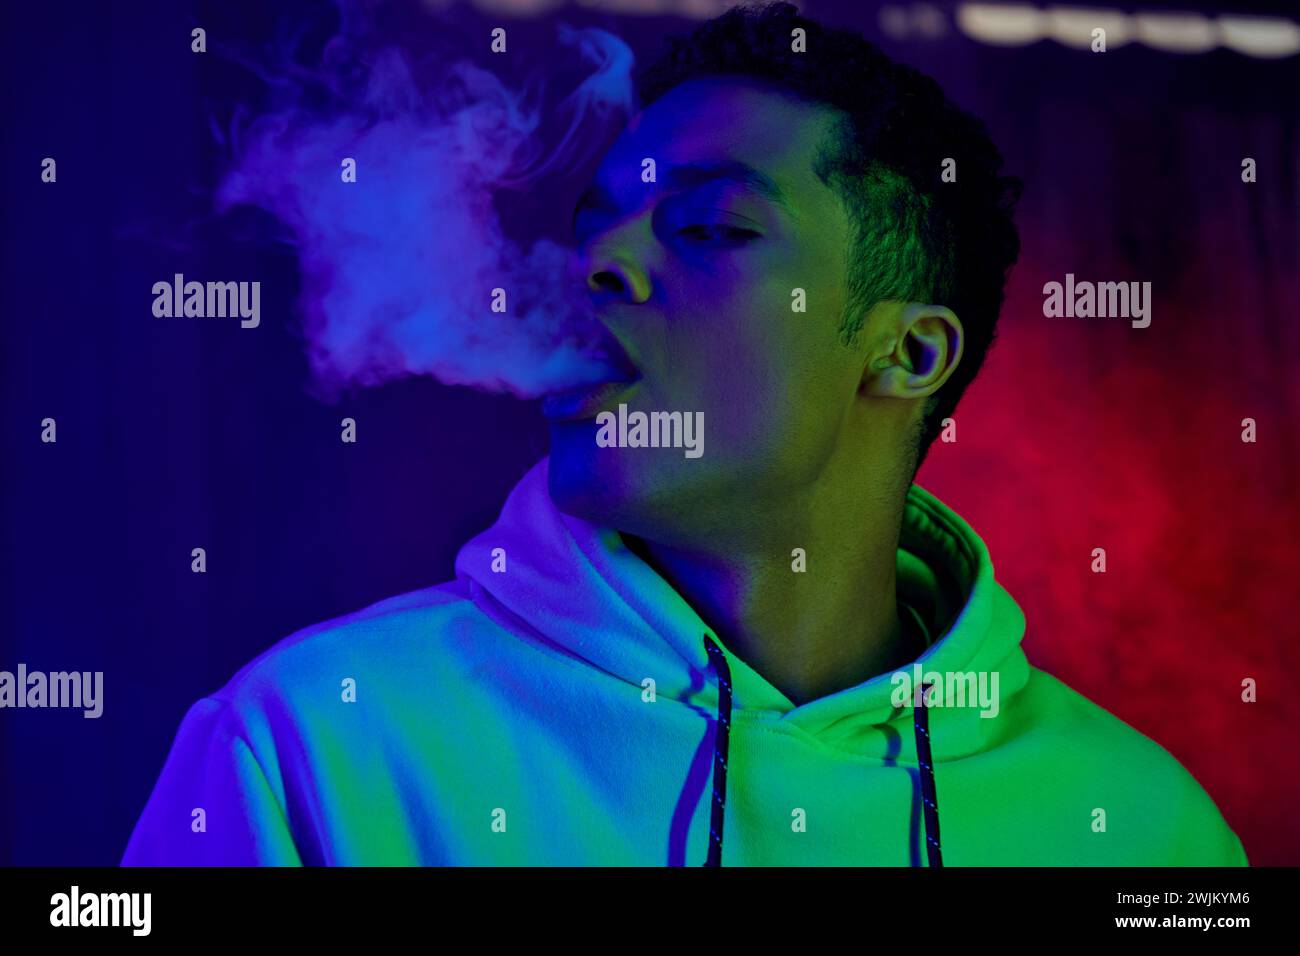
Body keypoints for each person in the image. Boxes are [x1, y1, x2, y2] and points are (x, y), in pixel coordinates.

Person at [122, 2, 1246, 866]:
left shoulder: (1140, 826)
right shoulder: (313, 750)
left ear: (905, 354)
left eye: (710, 226)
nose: (596, 267)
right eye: (596, 229)